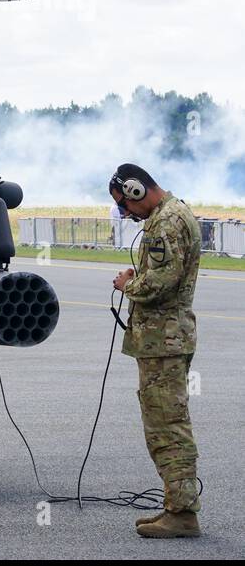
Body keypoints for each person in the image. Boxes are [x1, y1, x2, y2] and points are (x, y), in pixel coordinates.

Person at [110, 163, 201, 538]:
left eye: (125, 205)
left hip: (164, 341)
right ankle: (174, 506)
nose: (127, 213)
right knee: (165, 421)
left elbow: (160, 284)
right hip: (165, 339)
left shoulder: (165, 222)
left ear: (135, 190)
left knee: (168, 427)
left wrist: (127, 285)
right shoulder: (175, 215)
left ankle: (181, 513)